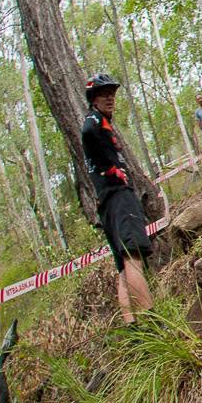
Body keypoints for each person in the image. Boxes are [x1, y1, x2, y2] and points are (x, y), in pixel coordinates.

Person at [81, 74, 155, 325]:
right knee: (133, 256)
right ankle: (151, 322)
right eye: (104, 93)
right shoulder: (94, 121)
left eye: (112, 93)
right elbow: (87, 130)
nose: (110, 97)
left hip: (107, 202)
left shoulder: (101, 123)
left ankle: (131, 325)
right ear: (93, 99)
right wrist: (112, 169)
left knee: (124, 266)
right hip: (118, 197)